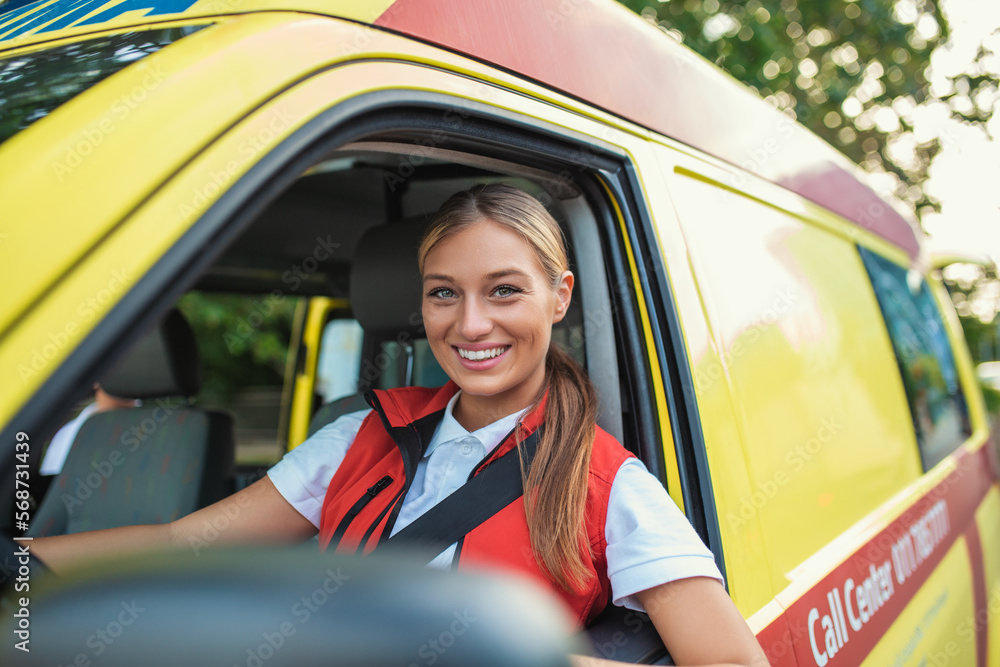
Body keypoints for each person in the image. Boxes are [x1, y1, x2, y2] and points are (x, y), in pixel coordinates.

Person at [33, 185, 767, 667]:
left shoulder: (608, 484)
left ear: (559, 296)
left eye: (504, 291)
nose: (470, 324)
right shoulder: (359, 436)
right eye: (444, 293)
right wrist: (22, 563)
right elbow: (180, 545)